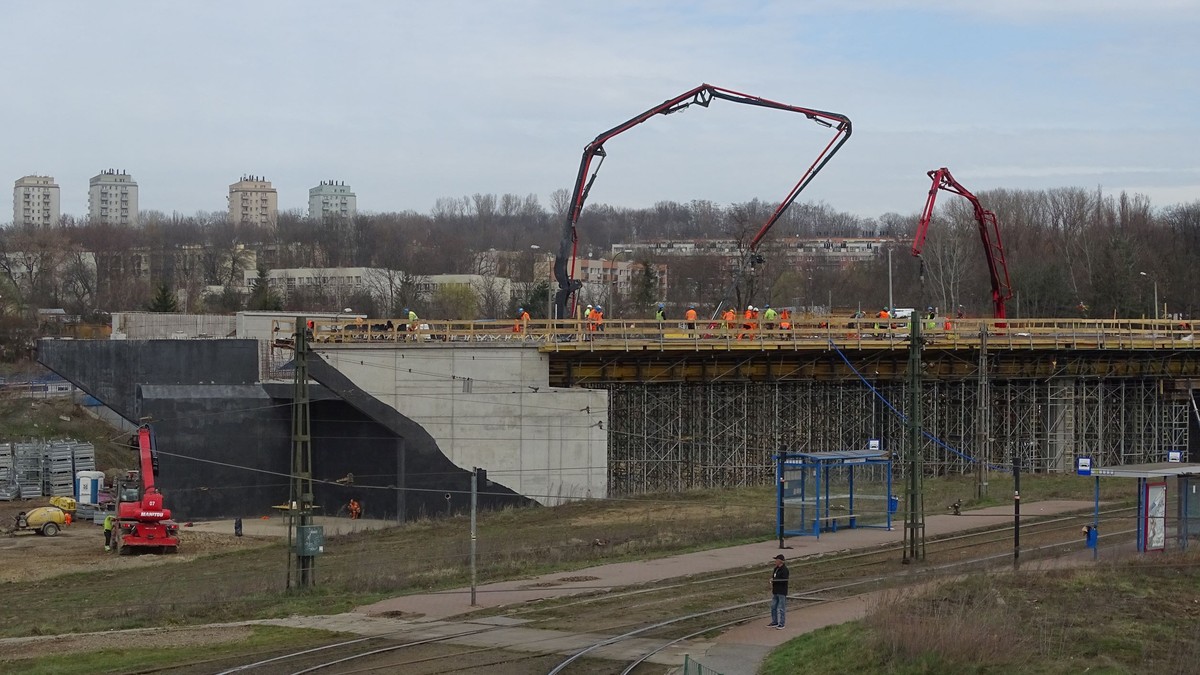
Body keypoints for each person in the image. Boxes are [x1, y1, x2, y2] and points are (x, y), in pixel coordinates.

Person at [768, 554, 789, 629]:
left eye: (776, 560)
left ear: (780, 561)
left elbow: (784, 580)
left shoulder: (785, 570)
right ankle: (774, 621)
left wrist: (774, 580)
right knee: (773, 606)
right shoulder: (776, 569)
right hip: (775, 591)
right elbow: (774, 577)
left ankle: (782, 623)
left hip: (782, 591)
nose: (775, 561)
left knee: (781, 608)